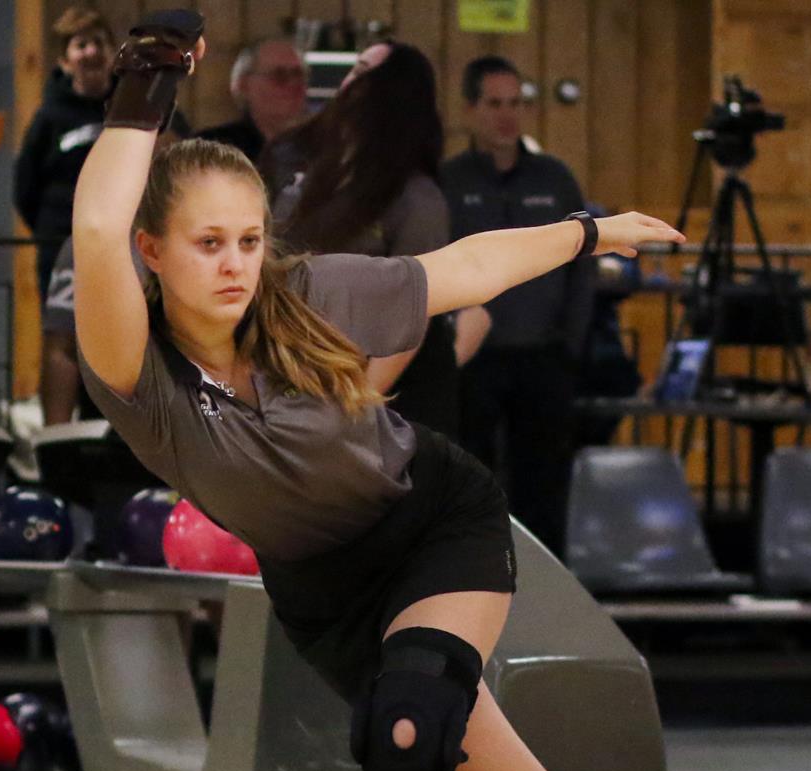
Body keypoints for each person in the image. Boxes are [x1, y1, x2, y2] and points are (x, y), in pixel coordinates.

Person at [73, 16, 805, 771]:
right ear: (154, 252)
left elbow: (462, 268)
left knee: (408, 728)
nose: (233, 263)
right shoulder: (135, 368)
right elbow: (94, 226)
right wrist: (144, 89)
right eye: (203, 243)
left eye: (245, 238)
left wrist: (587, 232)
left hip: (431, 523)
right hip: (326, 590)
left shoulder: (309, 293)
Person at [267, 39, 462, 440]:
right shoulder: (292, 156)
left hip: (381, 391)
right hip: (291, 363)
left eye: (363, 73)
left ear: (393, 95)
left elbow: (413, 316)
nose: (349, 81)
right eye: (354, 69)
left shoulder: (416, 198)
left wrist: (352, 407)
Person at [440, 55, 594, 557]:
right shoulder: (450, 182)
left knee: (545, 487)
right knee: (473, 482)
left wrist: (570, 343)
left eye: (517, 103)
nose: (507, 115)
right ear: (470, 110)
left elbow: (583, 263)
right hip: (474, 361)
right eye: (495, 103)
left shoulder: (554, 179)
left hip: (543, 356)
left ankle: (550, 596)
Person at [15, 7, 115, 407]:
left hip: (122, 247)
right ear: (64, 58)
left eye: (100, 43)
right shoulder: (48, 117)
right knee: (63, 336)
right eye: (81, 44)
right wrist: (54, 232)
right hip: (61, 248)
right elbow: (25, 188)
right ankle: (57, 444)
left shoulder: (135, 107)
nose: (91, 52)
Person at [194, 37, 307, 165]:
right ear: (244, 85)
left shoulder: (323, 148)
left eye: (298, 74)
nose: (292, 84)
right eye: (279, 75)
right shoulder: (211, 150)